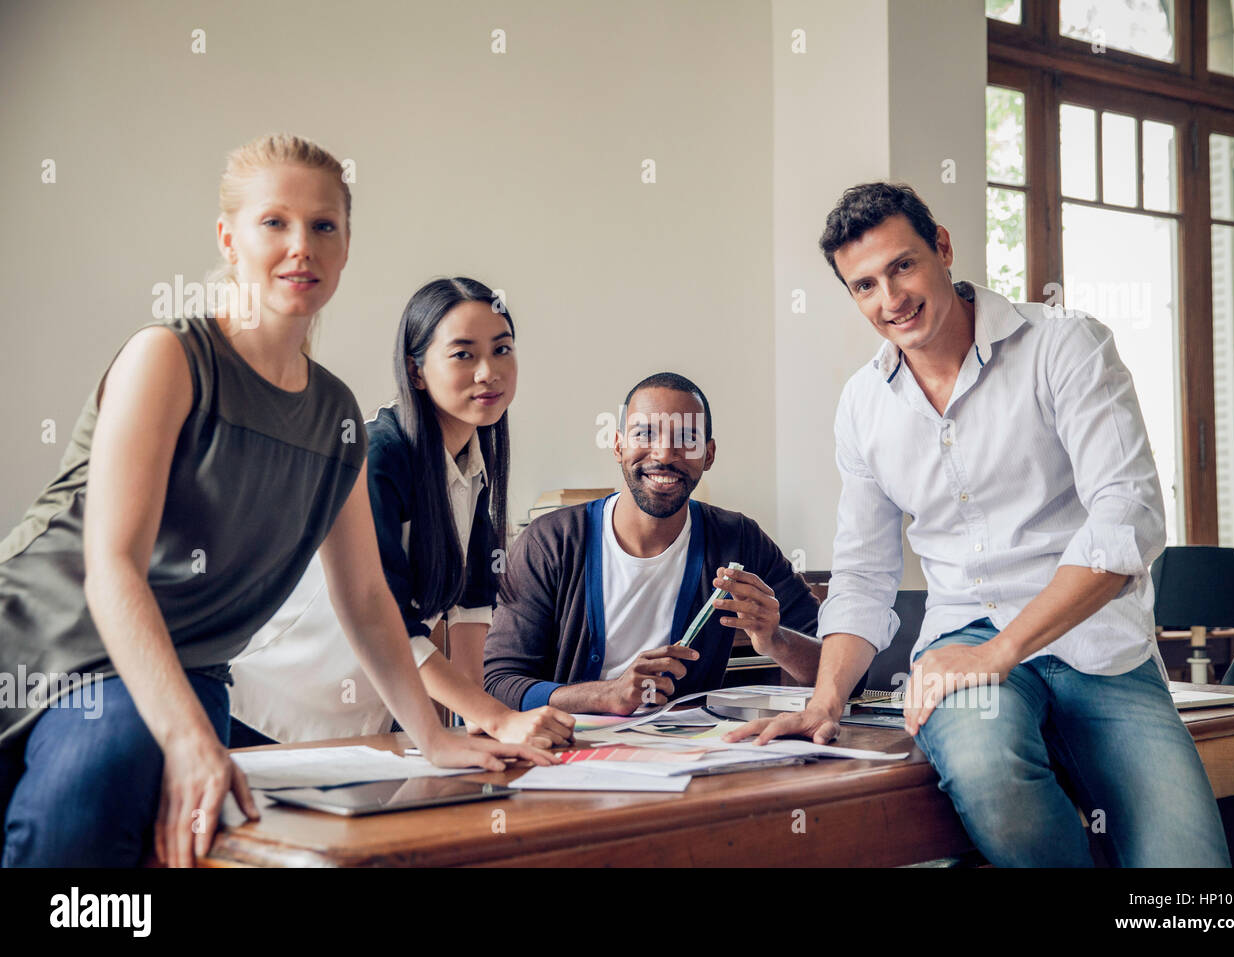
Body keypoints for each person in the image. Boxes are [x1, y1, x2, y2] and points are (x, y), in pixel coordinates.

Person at [0, 134, 552, 869]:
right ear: (229, 239)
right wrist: (191, 737)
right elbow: (112, 568)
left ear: (347, 247)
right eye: (275, 223)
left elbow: (363, 598)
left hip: (179, 671)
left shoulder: (338, 418)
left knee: (98, 798)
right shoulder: (167, 357)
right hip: (44, 641)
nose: (302, 245)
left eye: (324, 226)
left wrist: (436, 735)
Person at [726, 182, 1230, 867]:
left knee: (1190, 871)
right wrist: (824, 700)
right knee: (995, 782)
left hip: (1098, 643)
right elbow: (865, 573)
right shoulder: (862, 406)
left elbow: (1126, 519)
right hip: (963, 643)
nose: (890, 299)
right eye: (865, 284)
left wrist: (1002, 650)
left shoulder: (1064, 345)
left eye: (903, 266)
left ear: (943, 248)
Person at [228, 278, 574, 750]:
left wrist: (477, 725)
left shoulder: (472, 467)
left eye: (502, 349)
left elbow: (469, 615)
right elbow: (382, 615)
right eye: (463, 354)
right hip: (262, 713)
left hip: (358, 727)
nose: (489, 371)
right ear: (415, 371)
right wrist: (496, 718)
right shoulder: (378, 454)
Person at [484, 373, 822, 715]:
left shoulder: (739, 540)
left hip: (687, 755)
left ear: (708, 454)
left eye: (687, 438)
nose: (664, 453)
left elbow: (840, 671)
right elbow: (497, 684)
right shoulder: (550, 541)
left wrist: (775, 639)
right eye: (645, 434)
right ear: (618, 445)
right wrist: (606, 695)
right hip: (567, 752)